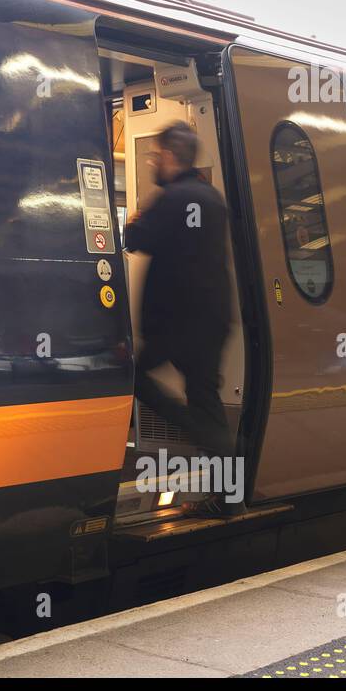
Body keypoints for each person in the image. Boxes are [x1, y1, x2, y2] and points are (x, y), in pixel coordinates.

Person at [124, 121, 241, 514]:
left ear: (170, 157)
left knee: (132, 376)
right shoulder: (211, 196)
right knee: (206, 398)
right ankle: (230, 500)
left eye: (156, 155)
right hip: (211, 319)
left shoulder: (172, 198)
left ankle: (193, 428)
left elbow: (134, 240)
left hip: (178, 322)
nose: (155, 162)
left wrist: (142, 208)